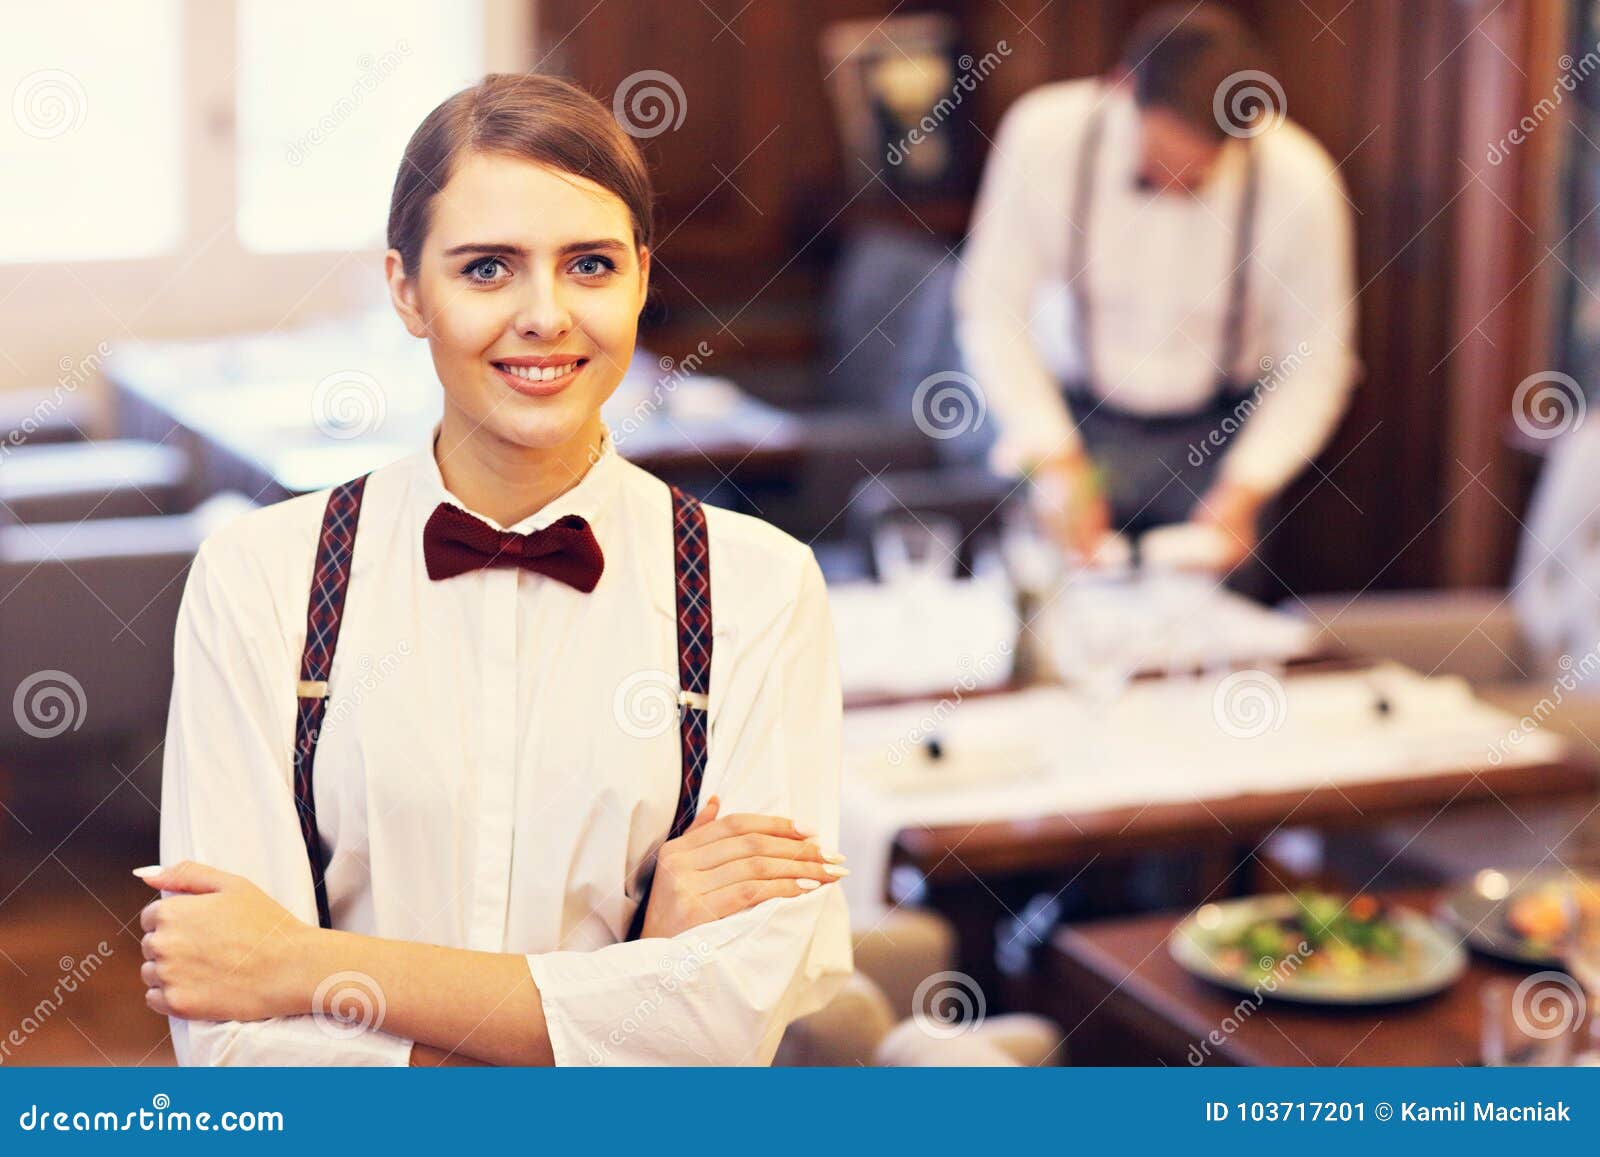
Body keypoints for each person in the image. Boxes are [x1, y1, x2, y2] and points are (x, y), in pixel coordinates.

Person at [135, 73, 852, 1067]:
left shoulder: (764, 590)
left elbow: (727, 1019)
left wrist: (302, 961)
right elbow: (231, 1034)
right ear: (405, 290)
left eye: (590, 264)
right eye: (487, 269)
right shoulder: (257, 579)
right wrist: (636, 979)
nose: (546, 315)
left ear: (642, 279)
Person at [955, 3, 1360, 572]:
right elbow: (993, 314)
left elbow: (1316, 361)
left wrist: (1247, 487)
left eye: (1201, 173)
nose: (1179, 185)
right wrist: (1056, 459)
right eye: (1163, 160)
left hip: (1218, 441)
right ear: (1122, 89)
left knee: (1207, 645)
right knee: (1054, 623)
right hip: (1074, 424)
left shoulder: (1300, 180)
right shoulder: (1043, 136)